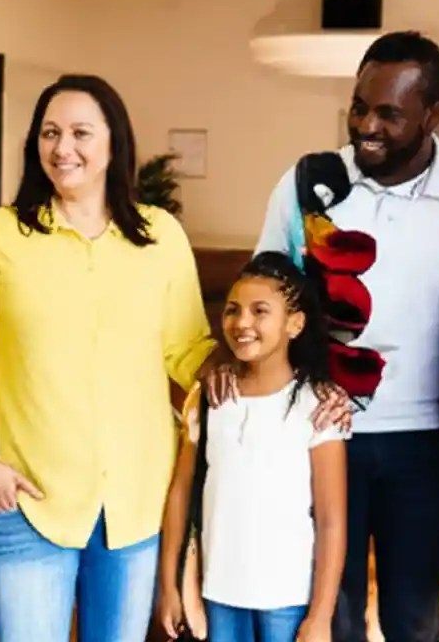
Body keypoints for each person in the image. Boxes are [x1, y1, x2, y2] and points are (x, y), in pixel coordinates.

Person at [0, 73, 218, 641]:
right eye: (49, 133)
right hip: (26, 498)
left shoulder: (160, 237)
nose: (62, 148)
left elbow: (188, 348)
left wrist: (276, 374)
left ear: (114, 142)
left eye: (80, 133)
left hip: (136, 504)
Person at [254, 31, 439, 642]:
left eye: (390, 113)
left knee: (413, 621)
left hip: (426, 448)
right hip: (322, 435)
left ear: (433, 115)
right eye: (359, 106)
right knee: (329, 612)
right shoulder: (309, 181)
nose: (368, 125)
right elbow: (264, 292)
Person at [158, 252, 348, 642]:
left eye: (260, 311)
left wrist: (321, 616)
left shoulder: (317, 407)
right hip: (219, 594)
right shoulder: (209, 399)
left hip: (288, 598)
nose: (242, 322)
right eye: (232, 310)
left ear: (295, 324)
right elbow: (180, 494)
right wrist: (169, 586)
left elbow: (331, 520)